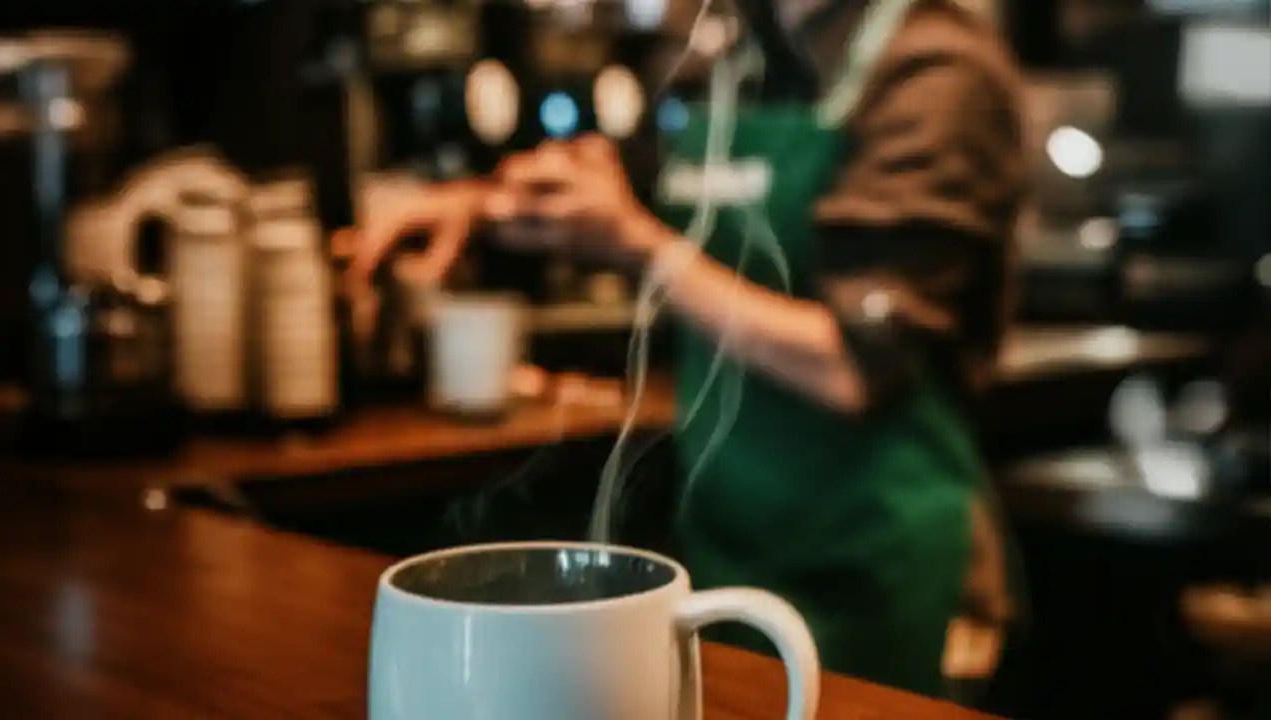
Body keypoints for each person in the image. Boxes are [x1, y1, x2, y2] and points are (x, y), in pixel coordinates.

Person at [354, 0, 1024, 698]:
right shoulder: (737, 46)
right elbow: (632, 191)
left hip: (879, 561)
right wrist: (481, 202)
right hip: (731, 549)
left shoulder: (939, 70)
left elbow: (853, 365)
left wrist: (643, 251)